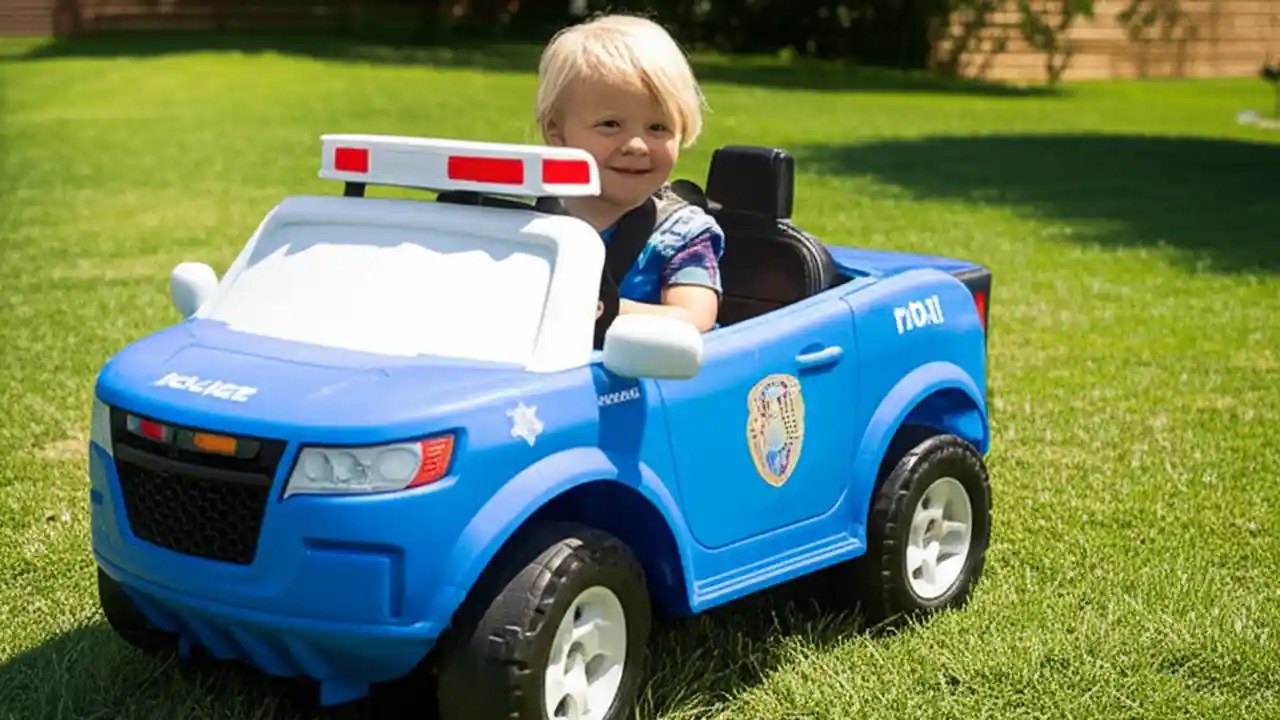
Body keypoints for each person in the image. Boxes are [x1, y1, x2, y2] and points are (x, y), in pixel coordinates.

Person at [534, 13, 723, 333]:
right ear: (558, 131)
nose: (637, 145)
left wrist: (595, 308)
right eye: (610, 124)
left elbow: (694, 318)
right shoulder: (533, 220)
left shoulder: (681, 233)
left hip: (653, 375)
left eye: (657, 127)